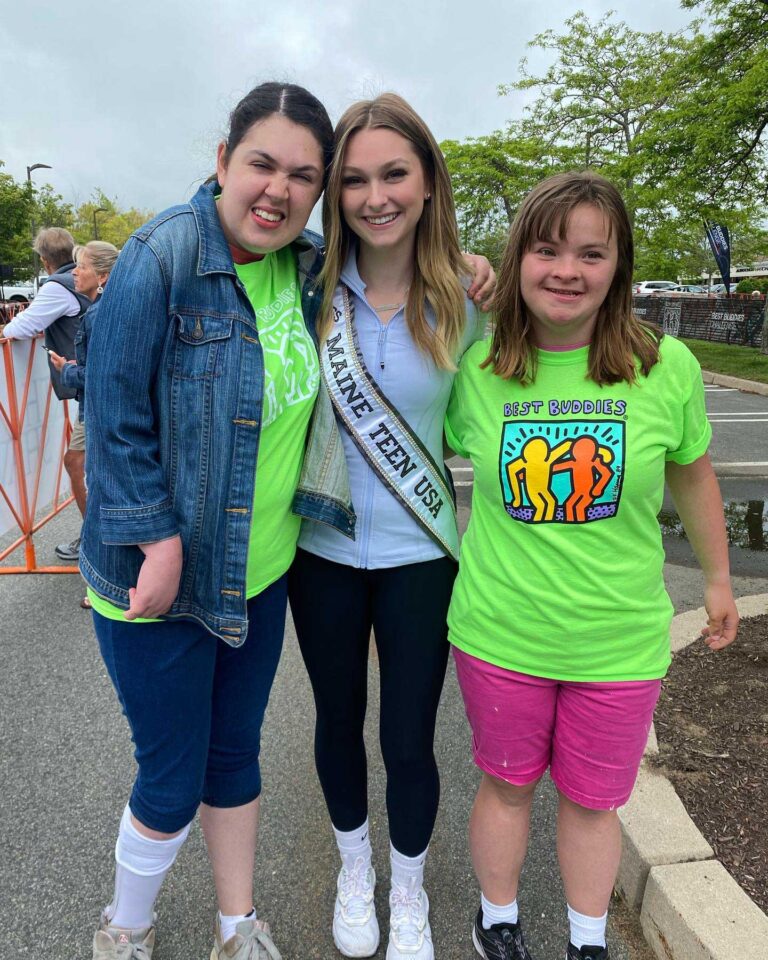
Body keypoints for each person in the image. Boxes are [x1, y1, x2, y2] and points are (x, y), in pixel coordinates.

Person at [444, 172, 739, 960]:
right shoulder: (477, 371)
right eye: (546, 250)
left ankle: (587, 940)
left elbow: (693, 473)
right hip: (501, 634)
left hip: (619, 642)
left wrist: (717, 578)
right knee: (508, 786)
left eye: (591, 253)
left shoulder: (665, 365)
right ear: (518, 259)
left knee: (593, 800)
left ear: (618, 267)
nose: (566, 270)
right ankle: (497, 920)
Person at [79, 82, 339, 960]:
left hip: (260, 573)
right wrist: (154, 536)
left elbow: (399, 255)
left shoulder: (305, 266)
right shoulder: (163, 254)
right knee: (172, 770)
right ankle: (126, 927)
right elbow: (112, 415)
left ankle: (238, 926)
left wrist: (469, 266)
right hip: (159, 579)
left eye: (303, 176)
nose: (279, 190)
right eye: (262, 164)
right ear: (223, 160)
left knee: (234, 754)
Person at [288, 93, 489, 960]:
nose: (376, 197)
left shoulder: (470, 300)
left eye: (395, 174)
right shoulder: (302, 289)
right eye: (355, 179)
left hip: (420, 555)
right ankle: (352, 866)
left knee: (409, 737)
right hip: (320, 550)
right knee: (337, 719)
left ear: (429, 180)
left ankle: (407, 887)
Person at [1, 226, 92, 561]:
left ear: (44, 261)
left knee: (77, 462)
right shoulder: (80, 282)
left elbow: (21, 326)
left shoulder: (59, 286)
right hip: (93, 386)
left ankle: (96, 541)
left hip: (92, 387)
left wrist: (9, 327)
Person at [49, 240, 120, 607]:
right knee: (84, 471)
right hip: (101, 412)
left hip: (101, 412)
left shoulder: (99, 314)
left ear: (103, 275)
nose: (74, 272)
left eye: (82, 266)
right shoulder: (108, 307)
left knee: (104, 491)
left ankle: (105, 580)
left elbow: (104, 376)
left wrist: (68, 370)